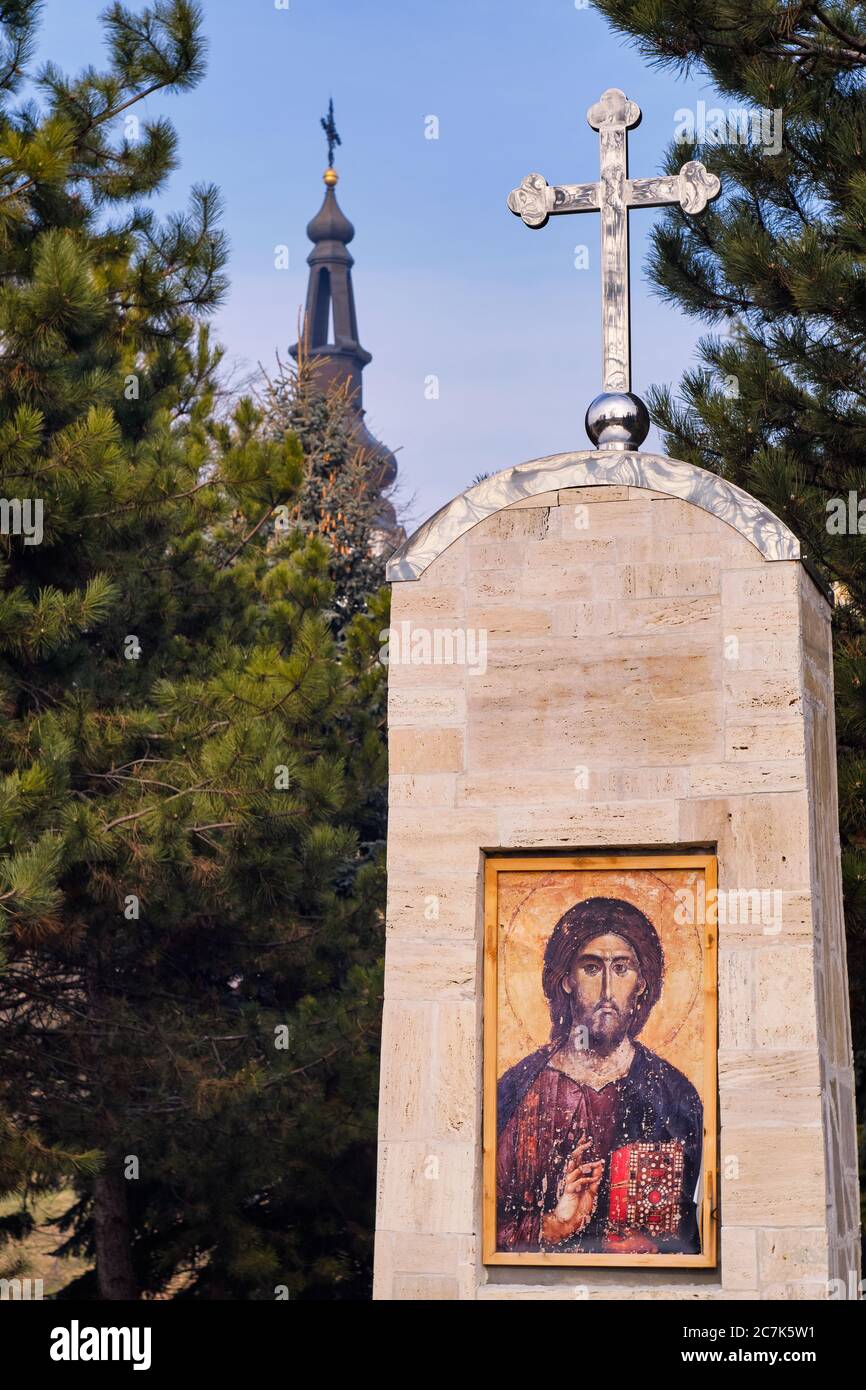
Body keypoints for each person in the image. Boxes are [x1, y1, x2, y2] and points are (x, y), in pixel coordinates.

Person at [496, 896, 703, 1253]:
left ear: (641, 984)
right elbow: (484, 1222)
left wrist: (654, 1248)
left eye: (622, 968)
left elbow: (695, 1229)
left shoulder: (674, 1094)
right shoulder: (520, 1090)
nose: (608, 991)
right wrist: (553, 1226)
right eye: (592, 968)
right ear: (565, 980)